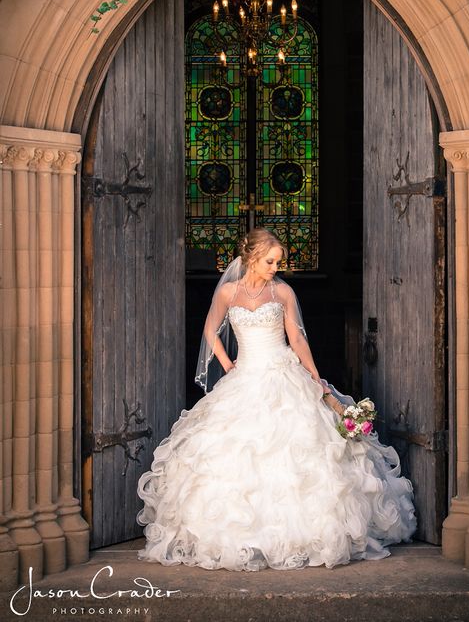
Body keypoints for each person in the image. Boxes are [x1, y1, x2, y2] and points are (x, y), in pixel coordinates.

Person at [136, 228, 416, 570]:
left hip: (284, 372)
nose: (275, 267)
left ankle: (300, 535)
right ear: (252, 257)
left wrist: (315, 377)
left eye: (278, 262)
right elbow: (211, 330)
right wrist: (228, 364)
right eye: (270, 261)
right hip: (245, 376)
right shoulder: (227, 292)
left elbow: (297, 341)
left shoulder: (282, 291)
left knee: (299, 456)